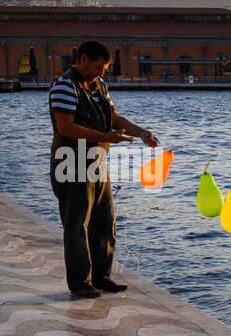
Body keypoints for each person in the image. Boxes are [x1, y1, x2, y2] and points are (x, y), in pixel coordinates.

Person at [49, 40, 159, 299]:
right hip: (70, 164)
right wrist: (106, 137)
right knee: (76, 225)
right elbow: (65, 127)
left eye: (104, 68)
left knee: (105, 222)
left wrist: (141, 132)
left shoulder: (99, 86)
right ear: (83, 59)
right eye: (98, 66)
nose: (100, 72)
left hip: (96, 163)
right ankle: (79, 282)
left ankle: (102, 276)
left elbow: (114, 118)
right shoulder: (64, 86)